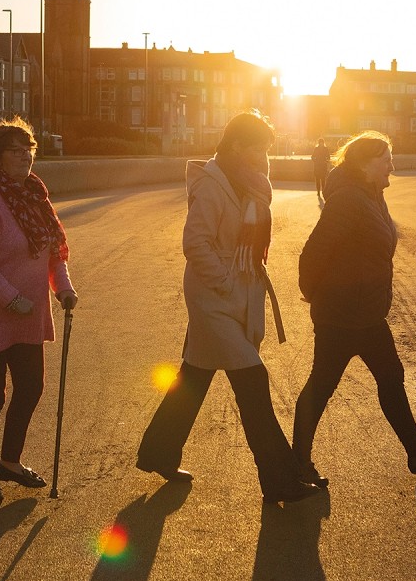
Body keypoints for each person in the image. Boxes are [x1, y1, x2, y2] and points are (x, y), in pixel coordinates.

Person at [136, 110, 319, 505]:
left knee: (195, 376)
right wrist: (223, 281)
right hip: (211, 297)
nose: (263, 155)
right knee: (253, 383)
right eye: (258, 148)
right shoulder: (212, 185)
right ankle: (281, 481)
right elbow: (195, 243)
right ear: (236, 146)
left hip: (235, 290)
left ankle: (158, 453)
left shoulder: (250, 183)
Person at [292, 130, 416, 487]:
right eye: (386, 161)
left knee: (391, 379)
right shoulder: (349, 200)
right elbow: (313, 253)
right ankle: (298, 465)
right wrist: (314, 295)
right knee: (320, 388)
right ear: (365, 165)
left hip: (368, 314)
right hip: (341, 317)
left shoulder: (372, 196)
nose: (392, 167)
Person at [0, 116, 78, 502]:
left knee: (31, 387)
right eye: (15, 150)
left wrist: (64, 289)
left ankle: (9, 462)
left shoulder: (34, 195)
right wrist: (11, 298)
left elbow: (52, 251)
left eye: (29, 149)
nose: (25, 156)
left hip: (27, 313)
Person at [311, 138, 331, 203]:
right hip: (317, 166)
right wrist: (315, 161)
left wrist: (326, 161)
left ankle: (323, 192)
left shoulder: (326, 149)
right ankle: (318, 192)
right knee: (317, 180)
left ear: (323, 143)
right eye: (320, 143)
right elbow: (312, 156)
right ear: (319, 143)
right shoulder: (316, 149)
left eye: (322, 143)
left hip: (323, 166)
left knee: (323, 180)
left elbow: (328, 157)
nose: (321, 144)